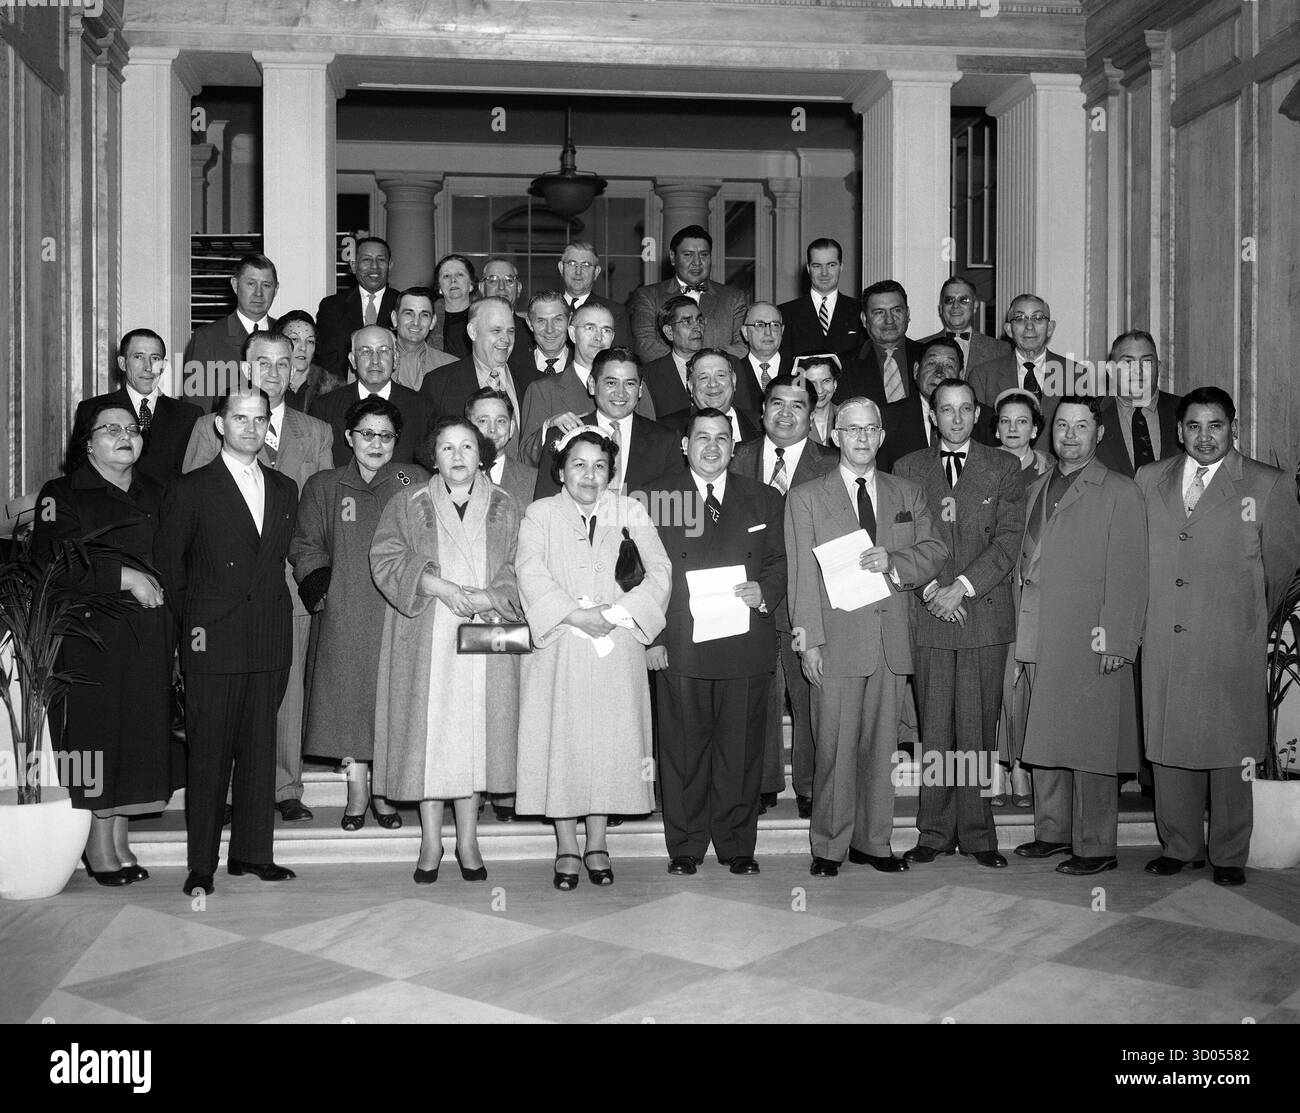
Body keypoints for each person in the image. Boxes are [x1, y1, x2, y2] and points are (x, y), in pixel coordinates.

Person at [1136, 387, 1300, 887]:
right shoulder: (1149, 479)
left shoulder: (1265, 485)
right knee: (1168, 742)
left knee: (1232, 748)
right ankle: (1180, 846)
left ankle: (1229, 853)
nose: (1204, 437)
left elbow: (1282, 568)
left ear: (1234, 425)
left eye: (1216, 426)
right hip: (1163, 634)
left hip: (1230, 639)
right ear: (1179, 428)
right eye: (1193, 426)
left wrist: (1244, 619)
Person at [785, 397, 947, 877]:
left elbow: (936, 548)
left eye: (870, 429)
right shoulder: (806, 496)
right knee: (834, 747)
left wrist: (895, 564)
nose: (861, 437)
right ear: (835, 435)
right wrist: (808, 640)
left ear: (881, 435)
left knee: (881, 751)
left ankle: (874, 842)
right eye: (851, 429)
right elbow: (800, 576)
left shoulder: (907, 492)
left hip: (890, 640)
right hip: (836, 641)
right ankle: (829, 847)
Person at [182, 330, 335, 823]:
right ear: (246, 369)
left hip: (284, 586)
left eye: (283, 362)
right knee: (227, 693)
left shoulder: (316, 432)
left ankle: (285, 786)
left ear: (297, 369)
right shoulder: (211, 426)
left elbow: (320, 513)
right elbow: (190, 511)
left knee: (286, 691)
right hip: (222, 595)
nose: (274, 372)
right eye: (262, 363)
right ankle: (225, 792)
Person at [155, 387, 300, 896]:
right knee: (210, 756)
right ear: (219, 424)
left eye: (260, 419)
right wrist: (184, 639)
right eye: (240, 418)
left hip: (268, 637)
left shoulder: (285, 488)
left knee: (261, 750)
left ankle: (254, 854)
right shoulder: (190, 489)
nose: (250, 427)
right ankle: (202, 865)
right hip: (209, 640)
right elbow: (171, 572)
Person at [515, 429, 672, 889]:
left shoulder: (632, 511)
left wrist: (620, 613)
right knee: (561, 741)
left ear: (612, 471)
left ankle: (598, 842)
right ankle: (566, 845)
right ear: (561, 470)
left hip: (616, 642)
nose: (589, 474)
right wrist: (577, 614)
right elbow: (530, 572)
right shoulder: (539, 514)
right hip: (561, 641)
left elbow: (660, 570)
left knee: (608, 743)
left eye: (600, 466)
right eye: (578, 464)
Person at [370, 417, 523, 883]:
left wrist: (489, 595)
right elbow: (385, 556)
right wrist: (434, 583)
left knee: (476, 737)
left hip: (486, 629)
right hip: (426, 633)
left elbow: (523, 563)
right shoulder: (409, 501)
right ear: (432, 456)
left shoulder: (505, 505)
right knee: (429, 741)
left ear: (483, 455)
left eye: (467, 447)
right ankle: (431, 841)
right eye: (447, 448)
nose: (458, 457)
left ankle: (470, 840)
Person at [36, 401, 174, 886]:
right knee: (98, 739)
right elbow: (51, 562)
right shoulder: (62, 493)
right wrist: (124, 576)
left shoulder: (157, 491)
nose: (123, 435)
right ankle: (98, 847)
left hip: (149, 637)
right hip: (91, 639)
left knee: (135, 737)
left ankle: (118, 839)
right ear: (87, 442)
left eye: (131, 429)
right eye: (110, 429)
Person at [1012, 396, 1147, 876]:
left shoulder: (1120, 491)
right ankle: (1052, 832)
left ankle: (1095, 846)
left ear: (1100, 433)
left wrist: (1116, 640)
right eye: (1062, 425)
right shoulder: (1038, 485)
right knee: (1045, 733)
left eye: (1081, 426)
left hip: (1089, 634)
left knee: (1091, 743)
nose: (1069, 435)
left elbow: (1130, 572)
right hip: (1038, 629)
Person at [647, 410, 786, 874]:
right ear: (684, 445)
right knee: (682, 751)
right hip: (680, 643)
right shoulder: (659, 496)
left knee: (741, 752)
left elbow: (780, 560)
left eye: (722, 438)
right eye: (701, 438)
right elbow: (641, 570)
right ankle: (685, 846)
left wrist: (765, 590)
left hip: (744, 641)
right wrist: (654, 636)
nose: (712, 447)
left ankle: (736, 845)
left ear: (734, 446)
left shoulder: (762, 498)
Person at [893, 379, 1025, 868]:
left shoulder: (1003, 466)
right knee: (936, 727)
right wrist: (930, 590)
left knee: (976, 729)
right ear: (933, 415)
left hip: (981, 612)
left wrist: (962, 587)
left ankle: (977, 833)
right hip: (928, 612)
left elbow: (1009, 541)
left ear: (977, 413)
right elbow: (903, 538)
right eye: (945, 410)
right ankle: (932, 832)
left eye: (965, 408)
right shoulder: (909, 467)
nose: (955, 418)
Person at [290, 396, 428, 831]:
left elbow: (430, 543)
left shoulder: (414, 480)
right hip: (345, 612)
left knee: (389, 704)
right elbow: (305, 546)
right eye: (366, 433)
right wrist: (323, 590)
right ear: (349, 437)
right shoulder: (324, 485)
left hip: (399, 612)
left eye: (386, 436)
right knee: (348, 705)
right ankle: (357, 791)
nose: (376, 443)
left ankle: (385, 794)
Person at [730, 373, 837, 817]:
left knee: (811, 695)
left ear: (812, 416)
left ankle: (811, 785)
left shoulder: (832, 463)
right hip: (749, 598)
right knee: (757, 695)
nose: (786, 413)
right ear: (762, 410)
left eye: (798, 406)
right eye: (777, 403)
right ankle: (761, 782)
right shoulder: (736, 456)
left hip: (809, 599)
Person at [992, 388, 1050, 808]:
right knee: (999, 679)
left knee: (1028, 681)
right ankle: (996, 767)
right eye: (1005, 421)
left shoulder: (1050, 473)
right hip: (994, 585)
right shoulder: (984, 465)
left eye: (1022, 422)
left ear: (1035, 428)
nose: (1013, 429)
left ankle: (1023, 768)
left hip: (1036, 588)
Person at [533, 348, 680, 500]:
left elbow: (673, 510)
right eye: (611, 383)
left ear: (640, 389)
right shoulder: (564, 436)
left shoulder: (666, 441)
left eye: (629, 384)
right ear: (591, 385)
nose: (620, 393)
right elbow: (545, 508)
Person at [71, 328, 201, 489]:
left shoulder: (190, 415)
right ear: (122, 363)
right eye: (138, 357)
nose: (148, 367)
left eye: (155, 358)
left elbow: (197, 477)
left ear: (163, 365)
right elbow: (78, 467)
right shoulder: (92, 409)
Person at [311, 324, 436, 467]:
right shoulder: (324, 409)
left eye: (383, 351)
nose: (375, 360)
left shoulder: (421, 408)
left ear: (395, 358)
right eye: (365, 351)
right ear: (352, 360)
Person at [420, 296, 542, 434]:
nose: (506, 339)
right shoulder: (438, 384)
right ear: (472, 331)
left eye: (510, 331)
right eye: (496, 331)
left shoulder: (535, 382)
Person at [627, 224, 748, 363]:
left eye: (704, 255)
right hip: (668, 381)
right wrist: (687, 364)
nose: (697, 262)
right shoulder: (648, 296)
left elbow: (742, 346)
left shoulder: (734, 298)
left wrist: (705, 366)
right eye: (688, 255)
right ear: (673, 257)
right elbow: (645, 347)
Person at [968, 293, 1079, 441]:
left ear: (1050, 328)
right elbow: (979, 437)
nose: (1029, 326)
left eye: (1038, 318)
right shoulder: (983, 376)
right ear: (1008, 329)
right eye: (1020, 319)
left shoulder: (1075, 374)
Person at [181, 253, 279, 408]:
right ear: (235, 285)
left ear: (276, 289)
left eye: (266, 285)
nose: (258, 293)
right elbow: (197, 409)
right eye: (251, 284)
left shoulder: (285, 335)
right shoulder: (207, 338)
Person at [1094, 330, 1181, 479]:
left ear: (1158, 367)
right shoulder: (1089, 413)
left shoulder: (1185, 410)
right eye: (1128, 362)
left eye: (1146, 361)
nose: (1138, 370)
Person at [314, 236, 400, 381]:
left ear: (390, 265)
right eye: (366, 259)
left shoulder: (402, 304)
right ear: (354, 265)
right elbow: (325, 359)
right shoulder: (331, 306)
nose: (374, 266)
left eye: (381, 260)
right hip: (344, 392)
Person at [833, 280, 926, 408]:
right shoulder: (842, 367)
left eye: (896, 310)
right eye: (879, 313)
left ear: (908, 314)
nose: (889, 320)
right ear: (864, 319)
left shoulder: (927, 356)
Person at [877, 336, 960, 472]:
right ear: (916, 370)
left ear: (960, 375)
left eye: (949, 365)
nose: (939, 373)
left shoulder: (979, 420)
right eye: (931, 363)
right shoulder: (887, 419)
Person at [778, 237, 862, 362]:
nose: (824, 273)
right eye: (817, 266)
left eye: (831, 265)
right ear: (808, 269)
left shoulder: (860, 310)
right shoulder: (784, 313)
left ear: (841, 267)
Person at [661, 349, 760, 443]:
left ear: (733, 381)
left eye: (721, 375)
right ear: (691, 386)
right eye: (704, 378)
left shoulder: (760, 423)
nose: (713, 384)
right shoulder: (667, 431)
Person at [920, 275, 1008, 375]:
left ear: (975, 306)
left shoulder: (999, 350)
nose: (956, 306)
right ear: (941, 308)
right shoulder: (920, 347)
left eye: (963, 300)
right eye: (949, 300)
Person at [467, 387, 537, 509]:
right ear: (466, 428)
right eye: (483, 421)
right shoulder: (451, 477)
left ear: (511, 429)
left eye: (501, 421)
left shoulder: (534, 480)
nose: (492, 429)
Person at [641, 295, 708, 417]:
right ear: (669, 332)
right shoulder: (648, 375)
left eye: (700, 320)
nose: (697, 327)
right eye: (687, 322)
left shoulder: (725, 364)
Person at [557, 240, 631, 347]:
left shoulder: (615, 313)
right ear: (561, 268)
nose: (578, 271)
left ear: (596, 272)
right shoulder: (548, 309)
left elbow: (620, 360)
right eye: (572, 263)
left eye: (586, 265)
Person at [389, 286, 457, 392]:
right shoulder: (372, 363)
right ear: (394, 318)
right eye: (408, 313)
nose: (416, 322)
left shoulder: (453, 367)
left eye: (424, 315)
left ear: (433, 321)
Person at [279, 310, 345, 413]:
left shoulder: (334, 387)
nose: (303, 348)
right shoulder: (264, 380)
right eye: (295, 339)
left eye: (310, 341)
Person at [509, 290, 572, 383]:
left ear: (569, 321)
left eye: (557, 320)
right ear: (530, 324)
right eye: (541, 321)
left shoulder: (585, 364)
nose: (550, 330)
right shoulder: (512, 366)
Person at [738, 302, 787, 402]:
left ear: (782, 331)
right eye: (759, 325)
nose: (768, 332)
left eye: (775, 325)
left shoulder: (797, 369)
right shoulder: (734, 372)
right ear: (745, 332)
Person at [430, 253, 476, 358]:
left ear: (471, 284)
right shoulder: (428, 317)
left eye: (460, 274)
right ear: (439, 287)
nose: (453, 280)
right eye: (446, 276)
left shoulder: (484, 314)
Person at [797, 353, 840, 446]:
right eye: (812, 383)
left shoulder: (846, 417)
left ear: (835, 384)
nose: (819, 390)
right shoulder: (793, 421)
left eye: (826, 381)